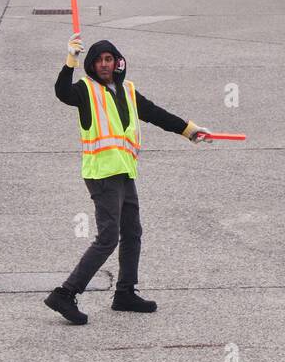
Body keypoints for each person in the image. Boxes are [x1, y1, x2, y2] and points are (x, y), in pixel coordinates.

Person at [45, 33, 209, 325]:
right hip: (102, 175)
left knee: (132, 232)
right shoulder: (85, 90)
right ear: (92, 66)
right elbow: (61, 92)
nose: (104, 65)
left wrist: (189, 130)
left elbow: (157, 114)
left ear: (117, 62)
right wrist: (71, 59)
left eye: (109, 59)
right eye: (98, 61)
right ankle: (65, 294)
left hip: (124, 172)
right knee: (108, 238)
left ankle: (125, 292)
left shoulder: (129, 91)